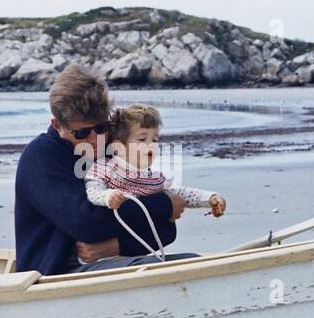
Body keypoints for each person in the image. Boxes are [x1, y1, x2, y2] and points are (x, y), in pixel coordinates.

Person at [13, 65, 190, 275]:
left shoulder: (113, 149)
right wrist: (163, 204)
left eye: (101, 128)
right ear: (57, 125)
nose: (94, 140)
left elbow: (166, 229)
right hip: (55, 272)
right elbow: (86, 223)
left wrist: (117, 245)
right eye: (82, 133)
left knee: (192, 262)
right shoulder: (41, 157)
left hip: (109, 261)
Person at [83, 105, 227, 262]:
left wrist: (209, 198)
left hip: (133, 249)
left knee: (168, 228)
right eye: (142, 139)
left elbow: (177, 192)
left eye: (155, 140)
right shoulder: (106, 167)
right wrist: (107, 196)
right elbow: (93, 189)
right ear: (119, 147)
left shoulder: (150, 176)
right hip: (103, 251)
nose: (150, 145)